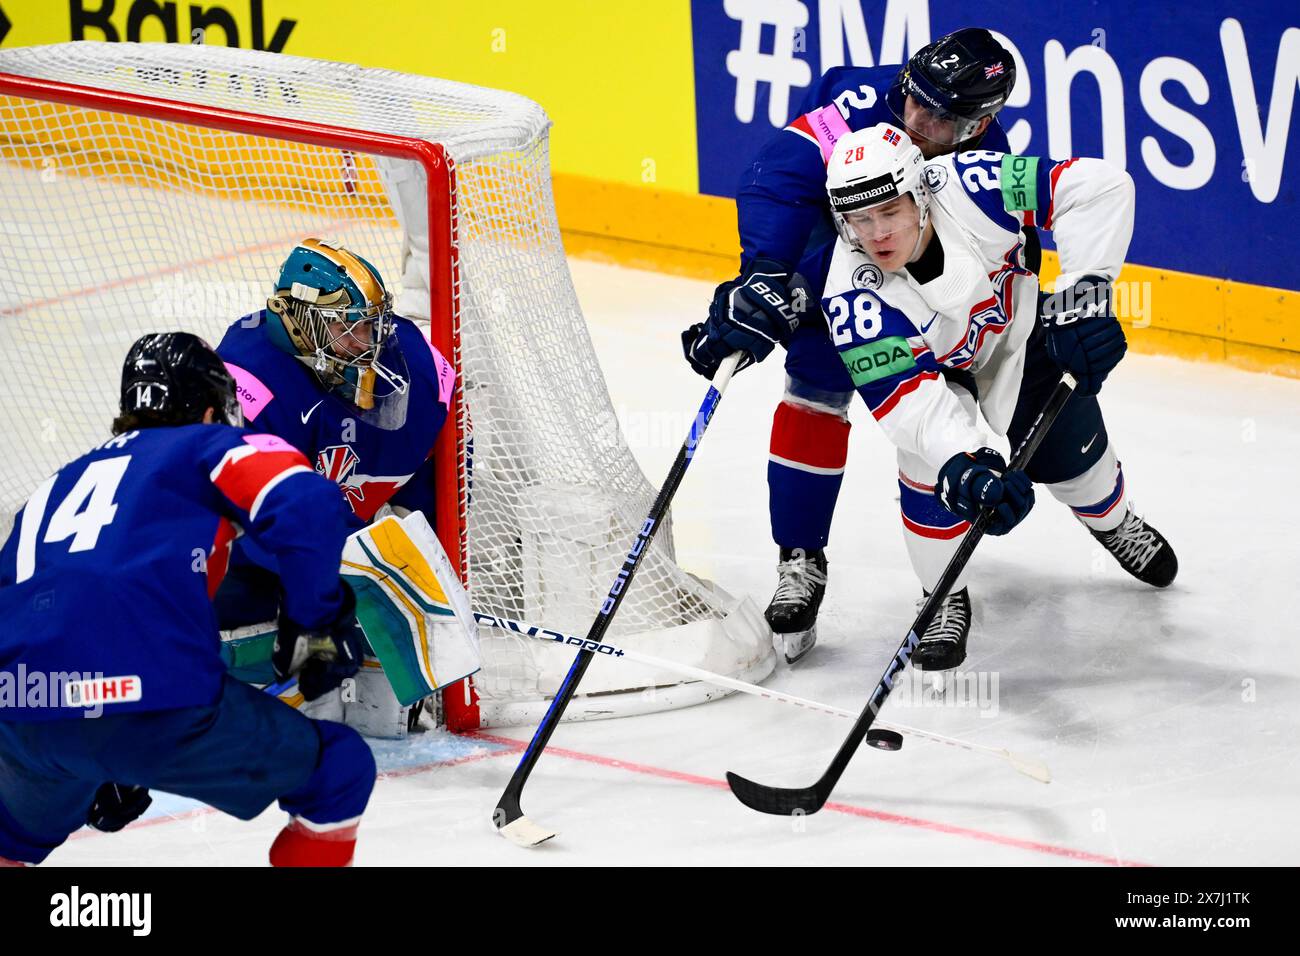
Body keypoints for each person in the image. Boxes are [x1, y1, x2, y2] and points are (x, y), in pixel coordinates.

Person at [682, 28, 1022, 662]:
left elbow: (1006, 257)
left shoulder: (986, 160)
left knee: (927, 436)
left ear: (982, 124)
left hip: (924, 314)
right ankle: (800, 558)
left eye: (942, 120)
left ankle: (941, 589)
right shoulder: (864, 101)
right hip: (833, 278)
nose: (917, 123)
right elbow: (778, 174)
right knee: (811, 396)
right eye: (914, 101)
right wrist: (766, 273)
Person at [811, 122, 1177, 669]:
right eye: (860, 220)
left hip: (1019, 340)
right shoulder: (851, 295)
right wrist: (967, 464)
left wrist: (1085, 292)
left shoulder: (972, 185)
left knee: (1078, 463)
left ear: (920, 193)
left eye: (889, 211)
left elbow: (1098, 188)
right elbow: (907, 399)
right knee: (930, 467)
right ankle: (943, 594)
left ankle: (1113, 521)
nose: (877, 233)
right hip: (939, 379)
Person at [0, 333, 375, 866]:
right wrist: (313, 621)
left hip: (22, 709)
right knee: (340, 771)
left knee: (9, 844)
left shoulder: (55, 484)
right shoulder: (204, 444)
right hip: (149, 699)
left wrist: (94, 754)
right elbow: (309, 504)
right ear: (207, 409)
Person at [216, 238, 455, 730]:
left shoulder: (414, 360)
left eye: (372, 323)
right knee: (234, 630)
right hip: (254, 548)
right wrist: (318, 600)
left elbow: (449, 462)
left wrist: (414, 562)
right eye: (350, 327)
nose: (369, 340)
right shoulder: (249, 384)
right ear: (299, 323)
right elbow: (242, 518)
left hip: (338, 531)